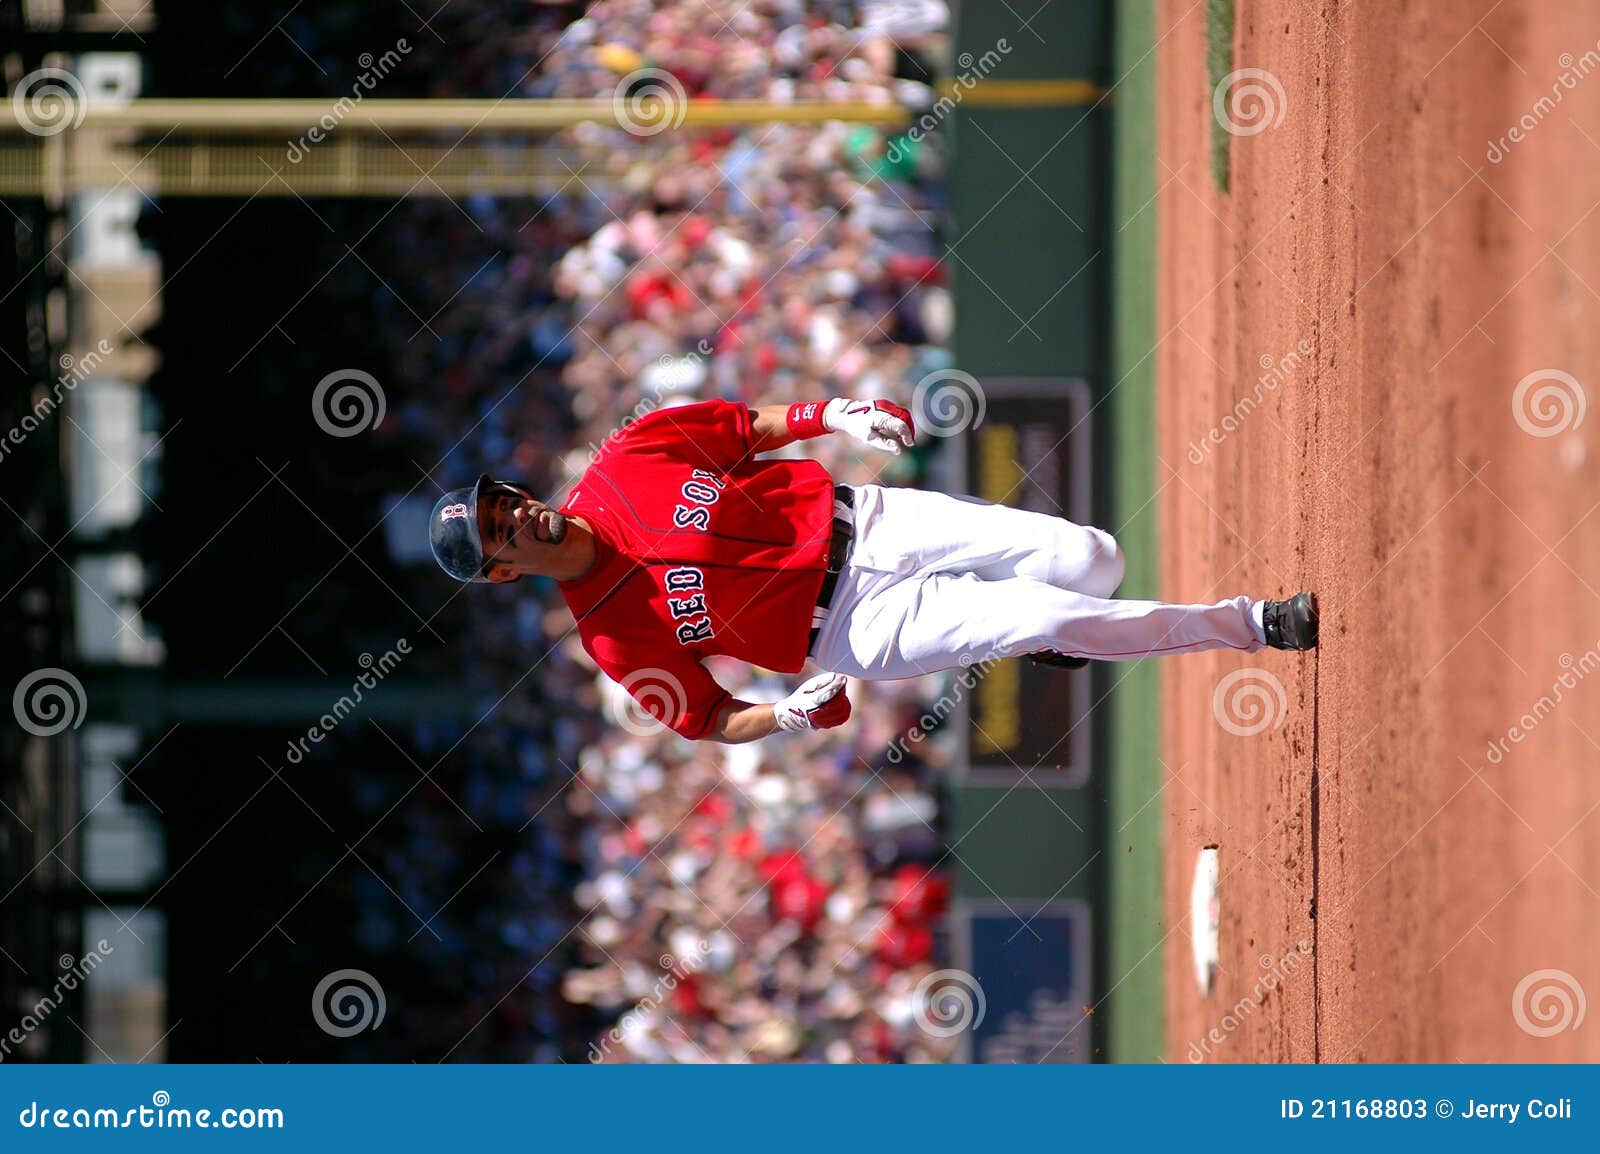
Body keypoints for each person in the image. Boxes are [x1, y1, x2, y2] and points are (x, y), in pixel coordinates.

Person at [429, 397, 1317, 743]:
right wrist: (786, 714)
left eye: (504, 501)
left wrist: (838, 410)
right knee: (1046, 615)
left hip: (869, 519)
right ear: (504, 573)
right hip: (851, 630)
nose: (518, 515)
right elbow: (705, 717)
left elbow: (750, 428)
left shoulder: (628, 457)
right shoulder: (611, 636)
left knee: (1091, 558)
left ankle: (1059, 637)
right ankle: (1250, 622)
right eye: (501, 531)